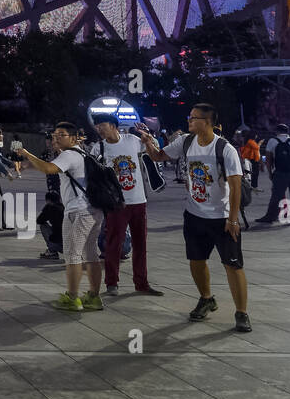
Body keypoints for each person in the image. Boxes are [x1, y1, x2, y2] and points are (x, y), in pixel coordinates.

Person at [137, 104, 250, 331]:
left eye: (194, 118)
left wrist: (233, 219)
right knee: (196, 261)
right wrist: (149, 141)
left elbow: (236, 186)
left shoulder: (224, 148)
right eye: (190, 117)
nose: (189, 121)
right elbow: (159, 156)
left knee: (232, 265)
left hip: (222, 217)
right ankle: (206, 299)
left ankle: (241, 312)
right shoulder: (186, 141)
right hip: (194, 214)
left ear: (207, 122)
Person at [18, 123, 104, 312]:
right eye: (54, 135)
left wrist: (27, 154)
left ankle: (72, 298)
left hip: (79, 211)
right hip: (92, 210)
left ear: (73, 138)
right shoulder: (82, 153)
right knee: (91, 254)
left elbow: (49, 169)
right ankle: (94, 297)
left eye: (61, 135)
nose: (55, 138)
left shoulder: (69, 155)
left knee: (73, 254)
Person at [91, 112, 163, 297]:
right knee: (113, 244)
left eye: (102, 124)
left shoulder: (132, 139)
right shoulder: (98, 148)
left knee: (140, 244)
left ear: (114, 125)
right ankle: (112, 284)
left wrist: (147, 137)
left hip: (139, 200)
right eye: (97, 125)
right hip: (116, 203)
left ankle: (142, 283)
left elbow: (154, 151)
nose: (99, 128)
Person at [256, 124, 290, 225]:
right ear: (288, 132)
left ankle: (270, 217)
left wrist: (270, 173)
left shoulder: (272, 141)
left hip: (280, 173)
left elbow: (269, 159)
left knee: (276, 196)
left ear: (277, 131)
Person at [37, 191, 64, 260]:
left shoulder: (51, 208)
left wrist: (46, 208)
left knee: (43, 226)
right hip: (70, 244)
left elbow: (39, 220)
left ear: (48, 200)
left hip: (59, 244)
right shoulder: (64, 207)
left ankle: (52, 252)